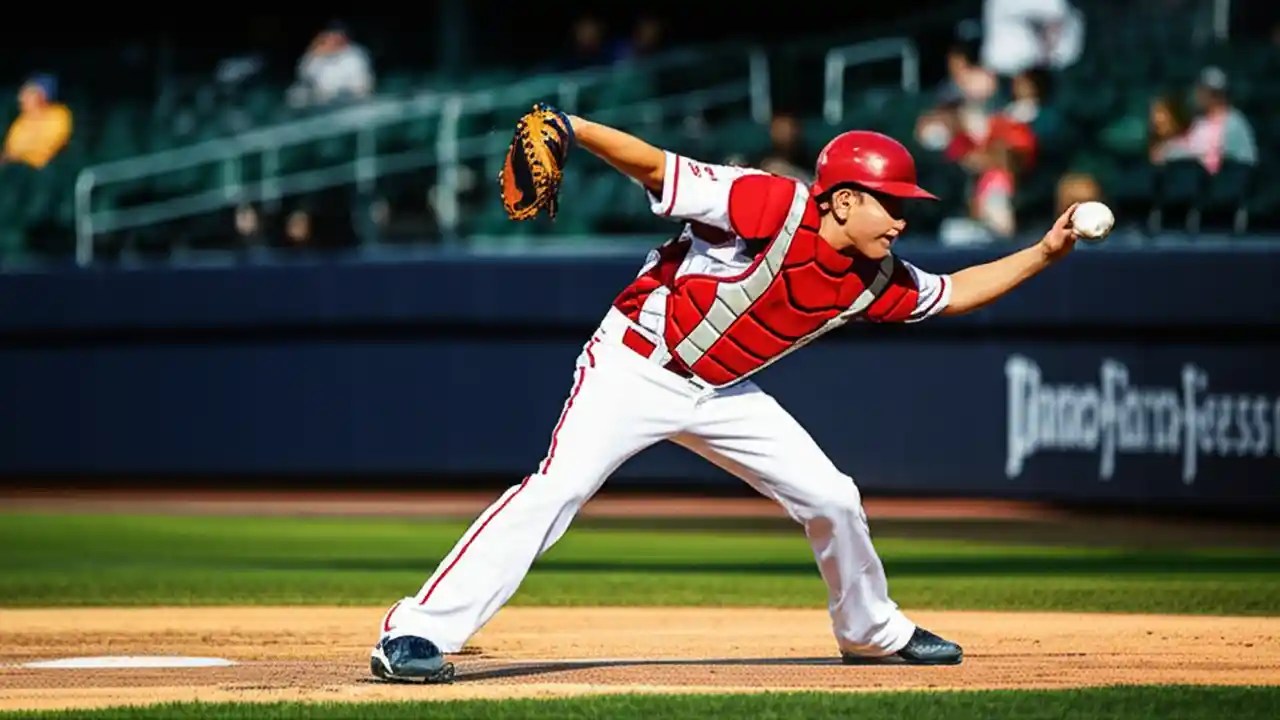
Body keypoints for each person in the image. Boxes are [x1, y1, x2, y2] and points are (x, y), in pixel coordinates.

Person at [369, 112, 1086, 683]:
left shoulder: (877, 276)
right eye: (889, 203)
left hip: (723, 392)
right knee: (555, 490)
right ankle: (415, 632)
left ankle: (872, 633)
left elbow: (956, 293)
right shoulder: (767, 201)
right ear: (842, 198)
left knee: (833, 497)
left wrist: (1044, 254)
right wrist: (573, 128)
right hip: (634, 366)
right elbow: (656, 167)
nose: (902, 218)